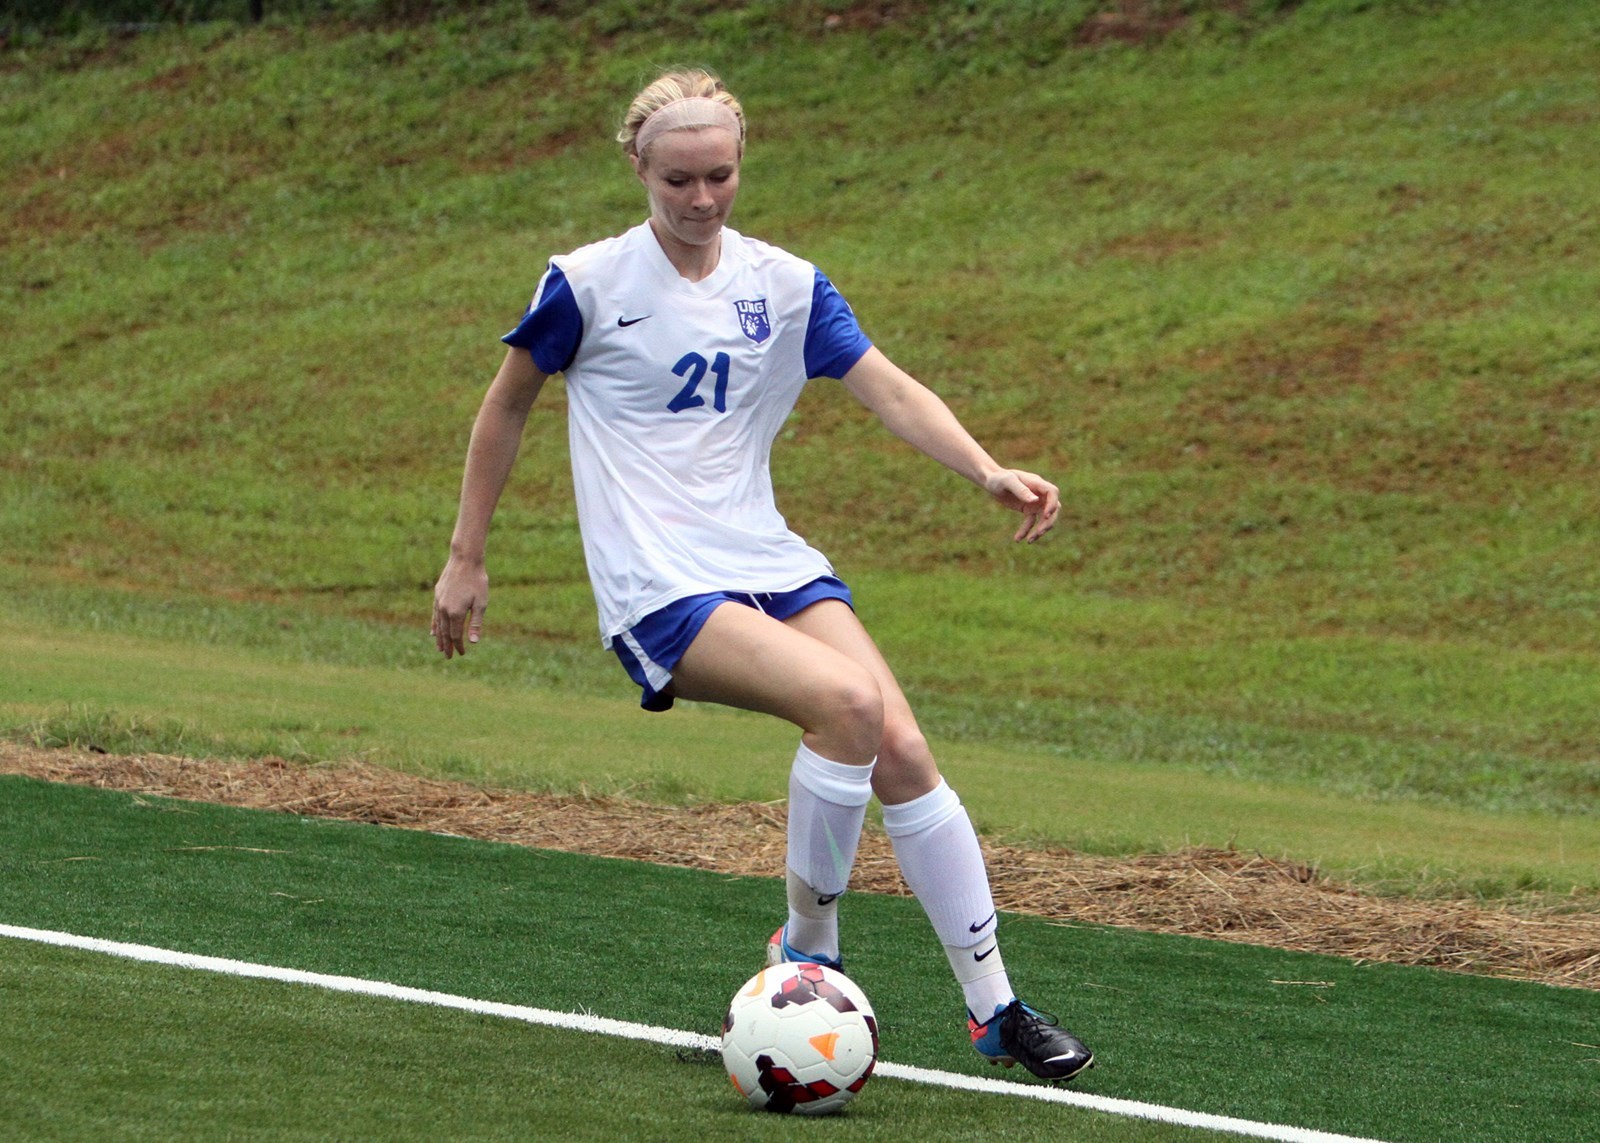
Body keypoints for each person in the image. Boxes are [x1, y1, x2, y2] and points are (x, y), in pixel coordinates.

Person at [431, 68, 1092, 1083]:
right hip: (658, 582)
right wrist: (467, 556)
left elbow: (888, 388)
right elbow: (506, 405)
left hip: (767, 557)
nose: (702, 200)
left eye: (721, 177)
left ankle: (994, 1008)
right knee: (843, 704)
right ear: (639, 169)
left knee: (902, 747)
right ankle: (807, 955)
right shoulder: (589, 281)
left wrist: (985, 468)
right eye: (680, 181)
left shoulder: (783, 284)